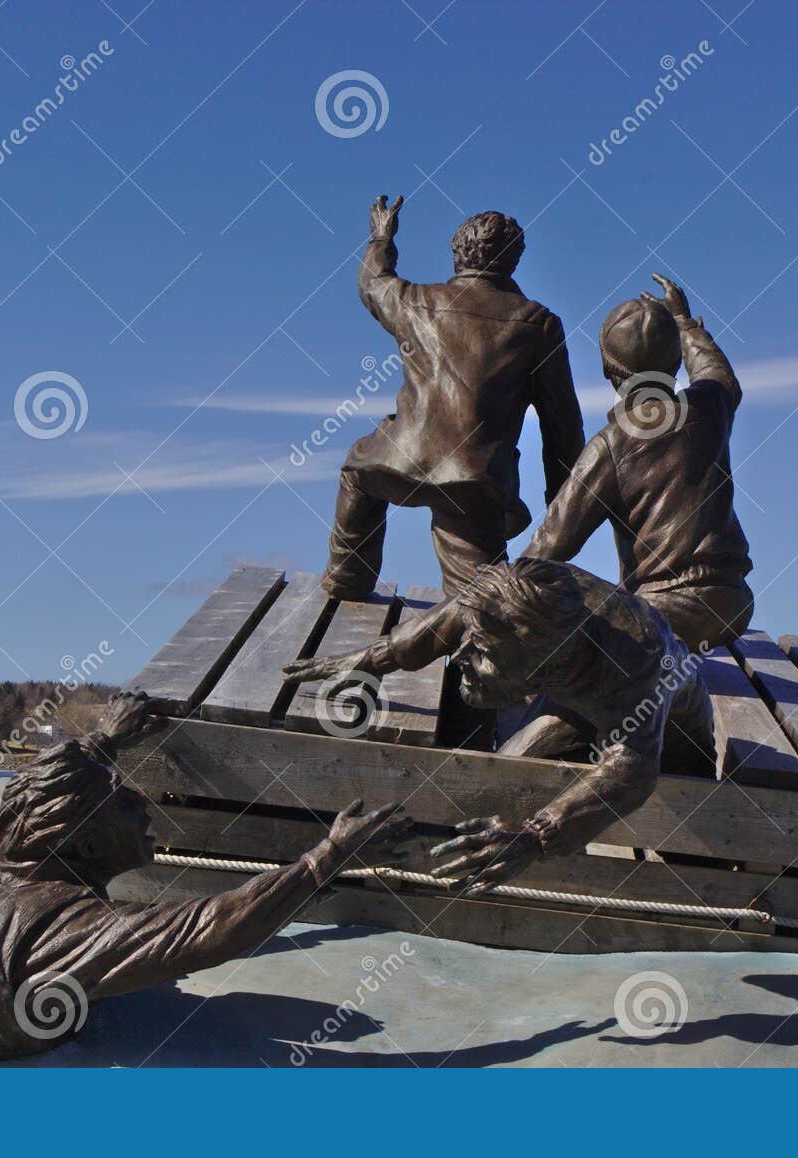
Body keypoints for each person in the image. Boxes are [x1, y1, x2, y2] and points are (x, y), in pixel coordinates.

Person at [0, 694, 412, 1066]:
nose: (141, 804)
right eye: (120, 800)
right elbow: (209, 930)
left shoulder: (2, 855)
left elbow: (36, 787)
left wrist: (104, 739)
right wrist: (326, 858)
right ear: (82, 843)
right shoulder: (69, 927)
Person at [282, 557, 714, 893]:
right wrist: (371, 660)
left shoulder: (640, 660)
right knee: (506, 775)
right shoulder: (525, 596)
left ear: (538, 659)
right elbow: (457, 615)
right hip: (575, 702)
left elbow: (633, 769)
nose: (462, 655)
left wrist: (535, 837)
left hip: (666, 737)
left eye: (484, 650)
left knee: (687, 850)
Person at [323, 195, 585, 600]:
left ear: (457, 254)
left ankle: (347, 579)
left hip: (397, 460)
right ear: (513, 261)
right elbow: (562, 426)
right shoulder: (539, 324)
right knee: (481, 604)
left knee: (358, 474)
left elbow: (372, 283)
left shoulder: (416, 302)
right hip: (473, 478)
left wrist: (381, 237)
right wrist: (561, 503)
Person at [522, 273, 754, 652]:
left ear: (608, 373)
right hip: (733, 605)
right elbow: (717, 374)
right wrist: (683, 322)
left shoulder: (609, 446)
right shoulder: (710, 408)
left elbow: (547, 550)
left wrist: (492, 596)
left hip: (662, 613)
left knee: (555, 596)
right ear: (676, 363)